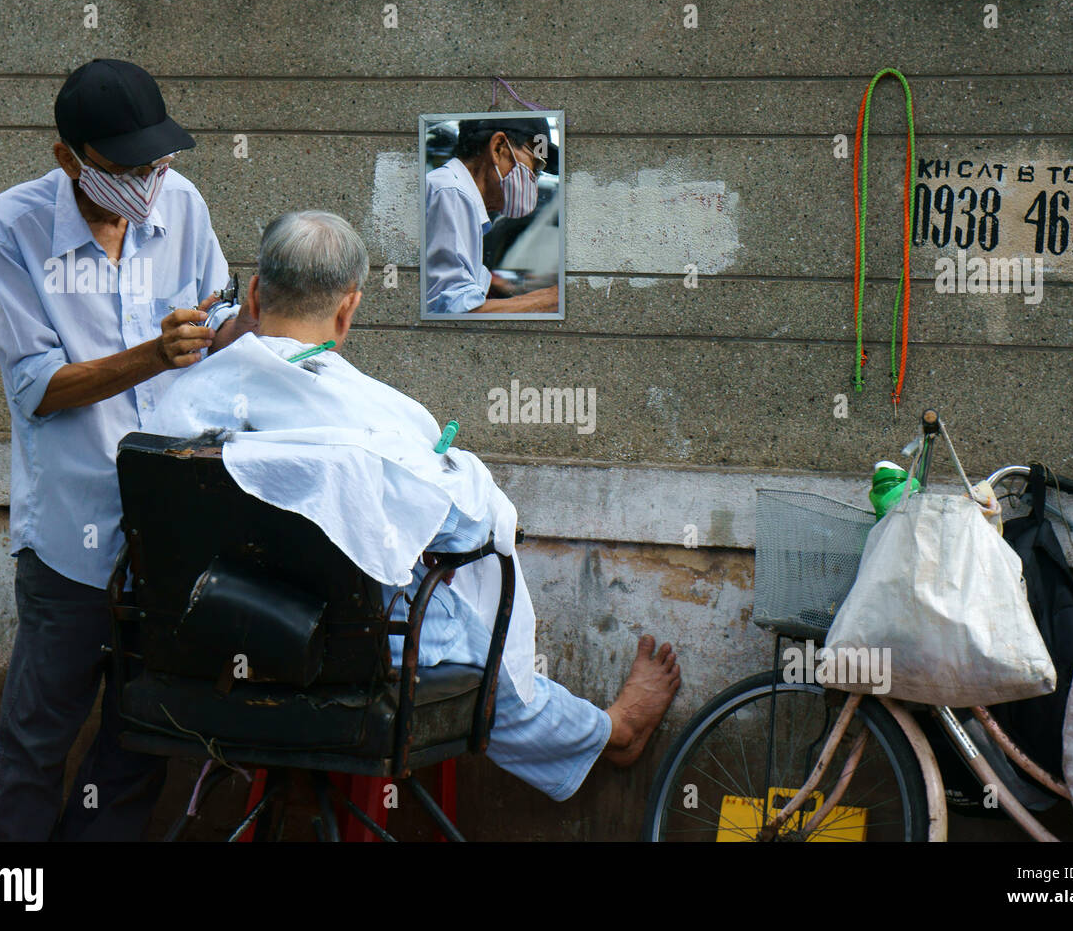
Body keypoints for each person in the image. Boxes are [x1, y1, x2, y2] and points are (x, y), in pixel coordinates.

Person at [145, 211, 680, 800]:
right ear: (348, 309)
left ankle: (600, 731)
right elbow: (470, 526)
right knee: (479, 645)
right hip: (346, 657)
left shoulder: (177, 406)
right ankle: (614, 732)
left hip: (206, 650)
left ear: (251, 292)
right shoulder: (371, 420)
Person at [0, 58, 255, 841]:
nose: (148, 181)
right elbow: (37, 386)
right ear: (70, 157)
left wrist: (248, 324)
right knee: (35, 742)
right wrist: (150, 355)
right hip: (70, 536)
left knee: (140, 744)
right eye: (127, 167)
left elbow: (215, 333)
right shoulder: (13, 227)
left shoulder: (186, 206)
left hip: (171, 533)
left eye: (158, 163)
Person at [424, 117, 561, 314]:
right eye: (535, 168)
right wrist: (550, 300)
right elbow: (454, 313)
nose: (534, 182)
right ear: (498, 148)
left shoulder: (457, 194)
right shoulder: (452, 193)